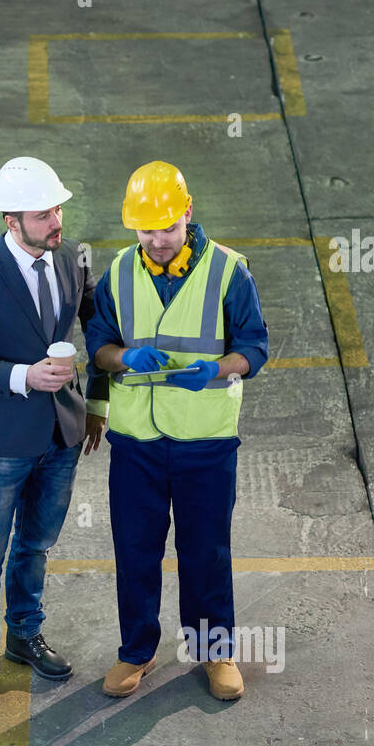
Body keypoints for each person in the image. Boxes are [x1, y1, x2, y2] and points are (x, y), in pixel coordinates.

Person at [84, 161, 269, 701]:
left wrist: (217, 368)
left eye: (167, 227)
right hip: (137, 443)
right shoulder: (119, 272)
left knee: (205, 551)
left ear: (188, 213)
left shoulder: (230, 272)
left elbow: (254, 348)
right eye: (147, 230)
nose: (158, 240)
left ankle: (215, 654)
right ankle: (136, 651)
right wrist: (123, 357)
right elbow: (98, 346)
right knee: (135, 551)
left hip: (205, 443)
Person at [0, 156, 108, 716]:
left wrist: (96, 406)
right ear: (12, 222)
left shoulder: (73, 257)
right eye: (44, 214)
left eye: (58, 209)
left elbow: (100, 328)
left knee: (36, 546)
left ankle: (24, 635)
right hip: (2, 443)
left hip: (62, 435)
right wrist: (22, 376)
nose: (57, 221)